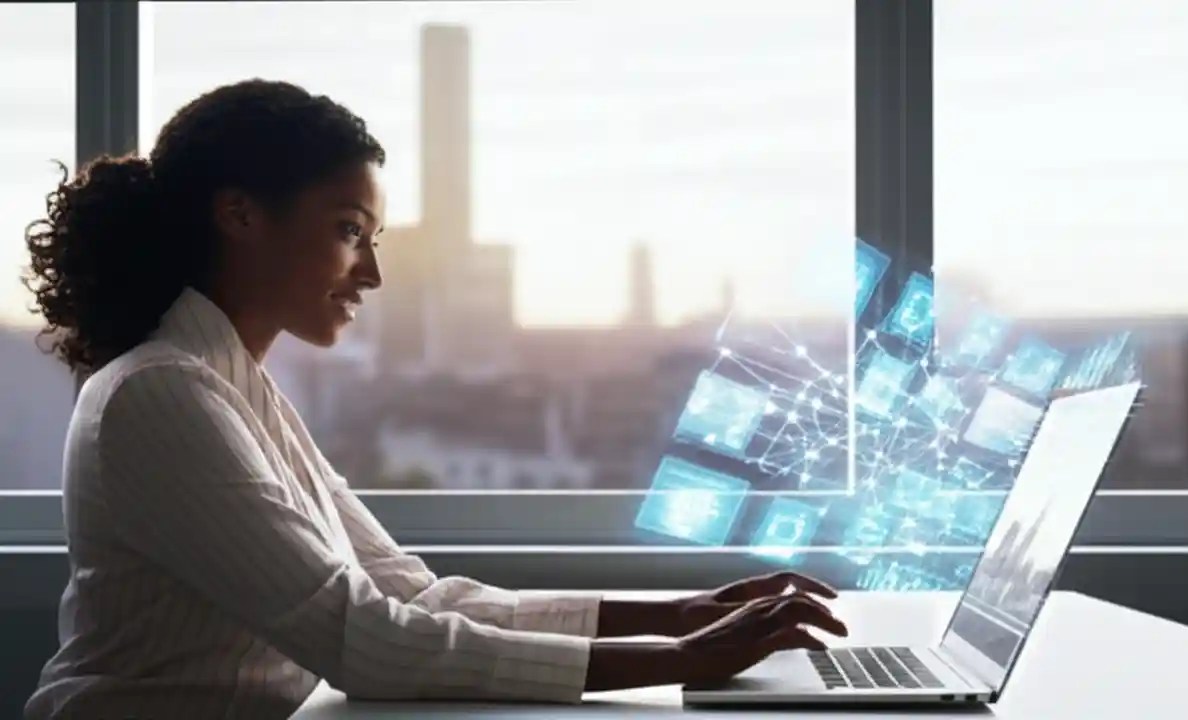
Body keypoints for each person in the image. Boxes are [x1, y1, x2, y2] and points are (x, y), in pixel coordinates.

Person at [20, 79, 847, 720]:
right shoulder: (163, 395)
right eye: (350, 230)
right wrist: (681, 661)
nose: (372, 274)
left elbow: (412, 596)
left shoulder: (233, 388)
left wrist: (676, 616)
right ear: (239, 215)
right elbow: (361, 637)